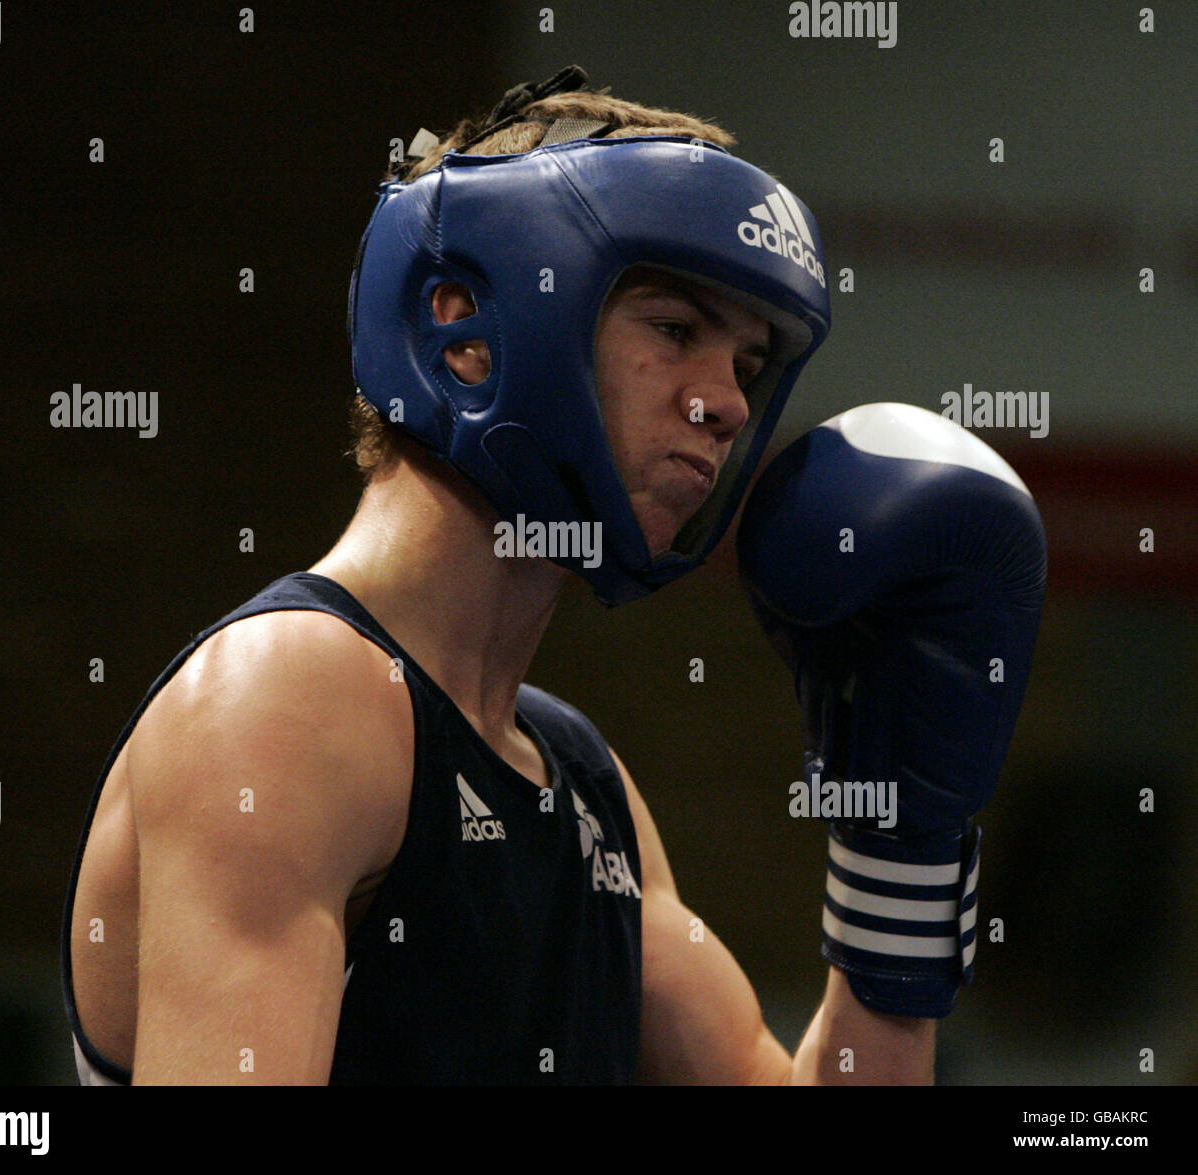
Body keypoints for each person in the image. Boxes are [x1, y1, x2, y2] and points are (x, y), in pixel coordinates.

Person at [61, 66, 1043, 1085]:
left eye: (747, 366)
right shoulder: (283, 697)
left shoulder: (579, 777)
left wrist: (899, 867)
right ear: (466, 328)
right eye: (675, 331)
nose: (727, 404)